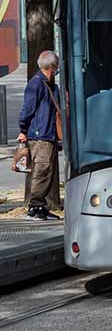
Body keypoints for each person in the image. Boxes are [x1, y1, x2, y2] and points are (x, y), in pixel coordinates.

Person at [18, 50, 62, 221]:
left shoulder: (50, 85)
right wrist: (23, 130)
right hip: (40, 135)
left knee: (47, 171)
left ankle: (40, 206)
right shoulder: (36, 84)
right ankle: (34, 207)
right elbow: (27, 110)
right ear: (52, 66)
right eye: (56, 65)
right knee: (42, 171)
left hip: (48, 134)